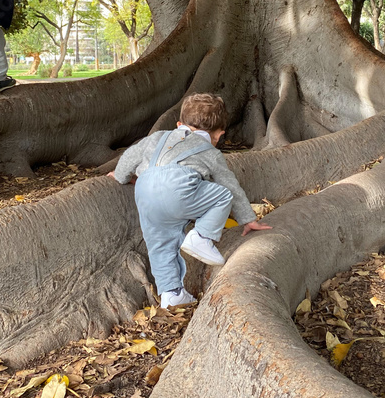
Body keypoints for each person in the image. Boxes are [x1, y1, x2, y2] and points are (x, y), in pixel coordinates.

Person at [109, 93, 272, 308]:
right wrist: (248, 219)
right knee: (223, 195)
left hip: (145, 190)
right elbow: (229, 185)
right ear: (219, 135)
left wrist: (120, 176)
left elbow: (131, 156)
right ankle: (202, 237)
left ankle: (171, 293)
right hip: (179, 187)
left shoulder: (158, 137)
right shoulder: (210, 152)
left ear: (178, 124)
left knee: (160, 244)